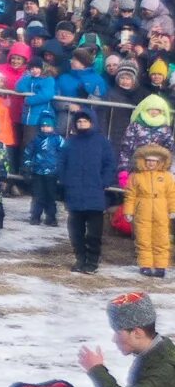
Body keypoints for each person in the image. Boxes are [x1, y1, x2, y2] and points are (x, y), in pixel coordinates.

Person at [60, 105, 120, 272]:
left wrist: (104, 181)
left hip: (94, 195)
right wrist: (64, 181)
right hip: (74, 194)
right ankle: (80, 259)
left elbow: (109, 164)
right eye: (78, 121)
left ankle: (92, 261)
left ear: (92, 122)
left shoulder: (102, 142)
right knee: (75, 232)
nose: (81, 124)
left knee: (93, 234)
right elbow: (62, 163)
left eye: (85, 121)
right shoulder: (70, 142)